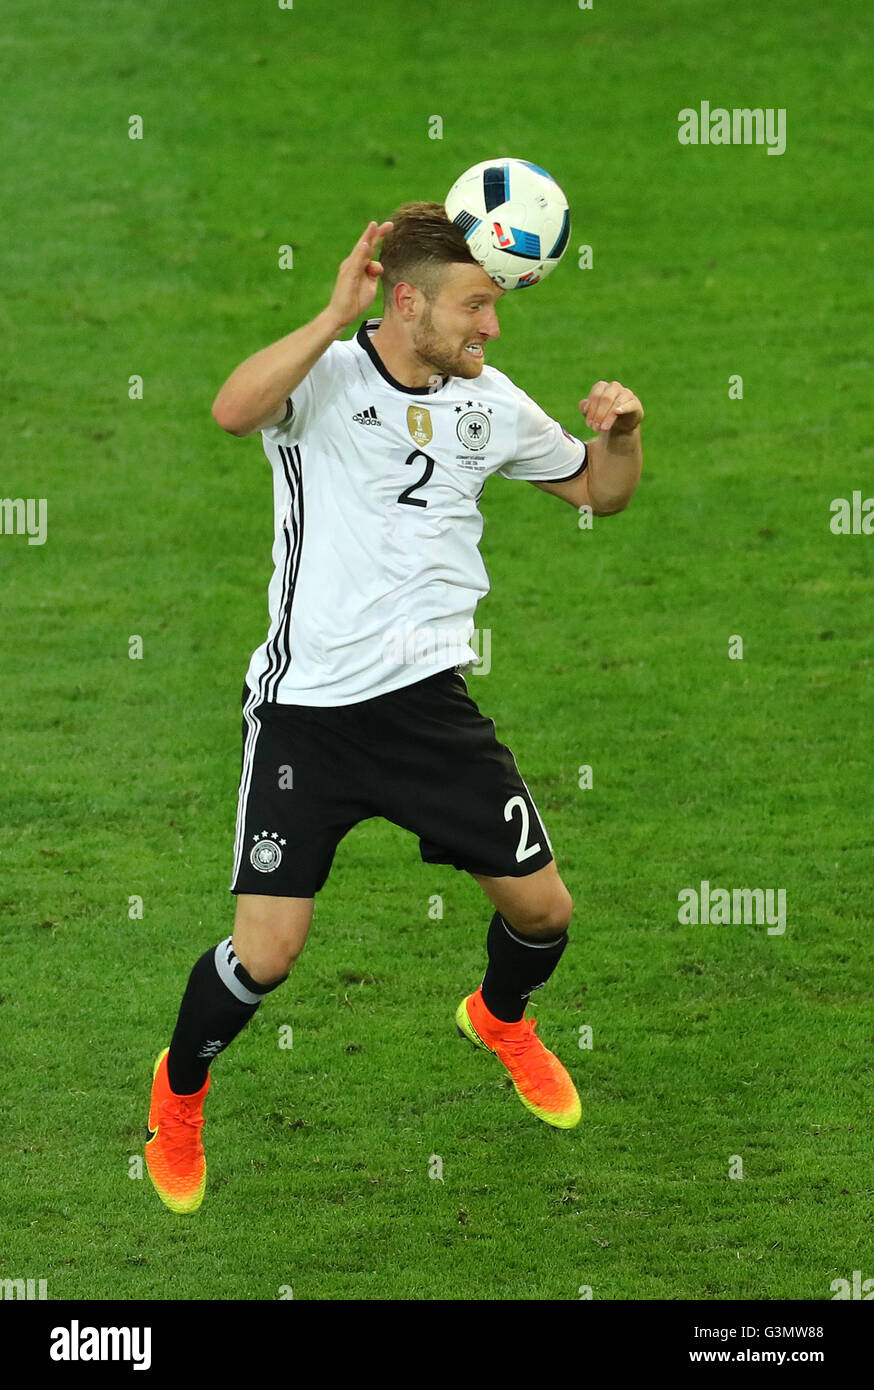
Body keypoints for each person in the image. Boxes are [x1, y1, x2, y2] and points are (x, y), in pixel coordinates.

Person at [145, 203, 643, 1213]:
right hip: (308, 719)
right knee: (267, 953)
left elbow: (599, 493)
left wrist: (622, 437)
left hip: (428, 713)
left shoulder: (490, 402)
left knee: (545, 911)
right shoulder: (321, 383)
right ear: (404, 300)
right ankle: (179, 1093)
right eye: (473, 306)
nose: (490, 329)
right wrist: (330, 317)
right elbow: (231, 412)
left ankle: (501, 1016)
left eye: (495, 308)